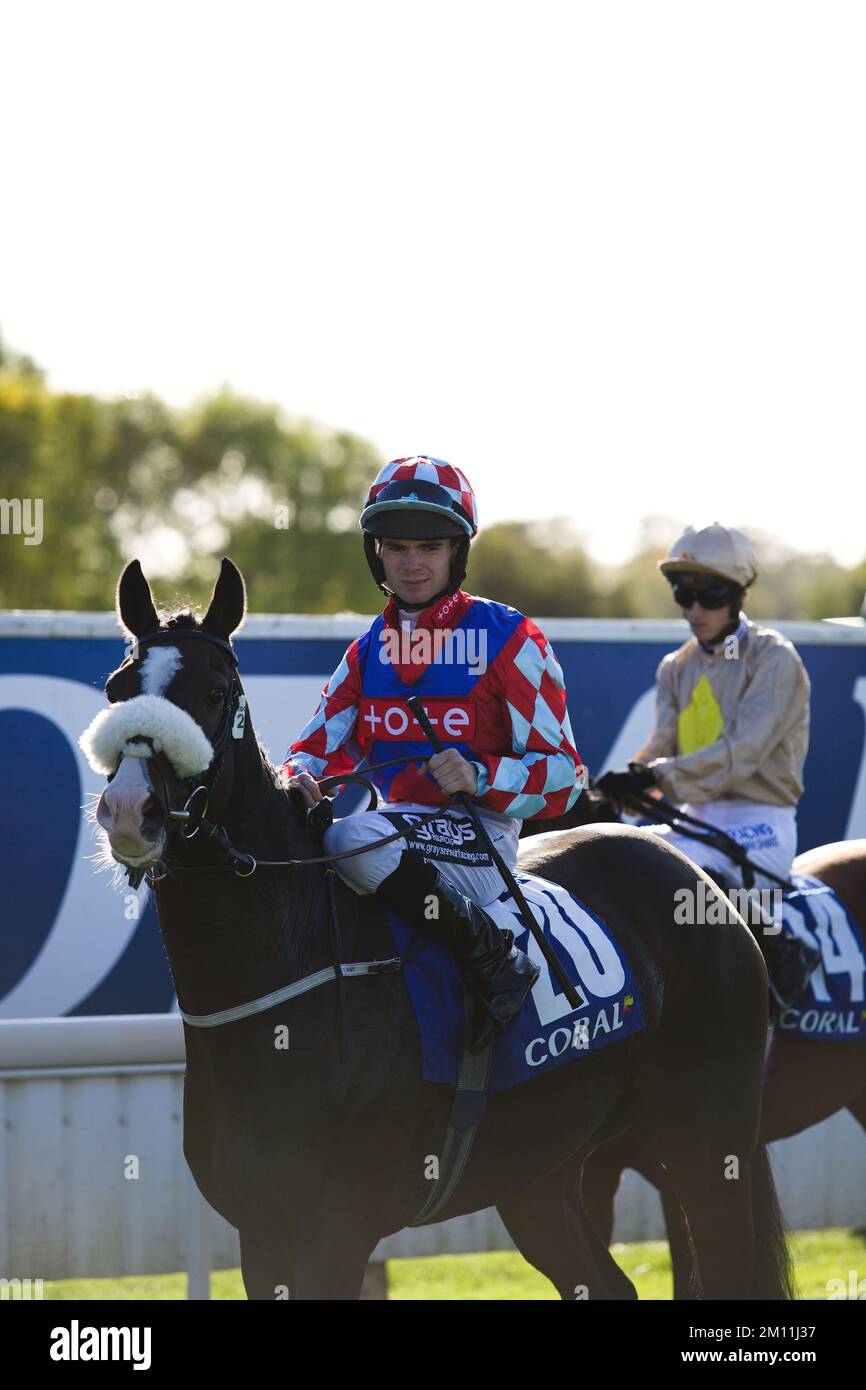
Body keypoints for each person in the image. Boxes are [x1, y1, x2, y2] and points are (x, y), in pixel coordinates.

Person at [282, 456, 587, 1048]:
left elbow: (565, 778)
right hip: (396, 838)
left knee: (348, 838)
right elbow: (313, 751)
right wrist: (298, 778)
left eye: (430, 546)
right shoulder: (366, 652)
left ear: (457, 553)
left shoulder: (511, 637)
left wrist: (479, 773)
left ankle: (490, 951)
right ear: (377, 555)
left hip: (479, 840)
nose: (412, 563)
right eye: (396, 547)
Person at [597, 522, 818, 1009]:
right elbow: (660, 745)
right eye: (683, 594)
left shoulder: (775, 659)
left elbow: (742, 755)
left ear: (738, 594)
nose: (694, 610)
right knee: (615, 863)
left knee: (684, 893)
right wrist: (618, 788)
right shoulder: (676, 666)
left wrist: (654, 776)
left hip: (761, 824)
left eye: (708, 596)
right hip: (696, 819)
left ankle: (778, 965)